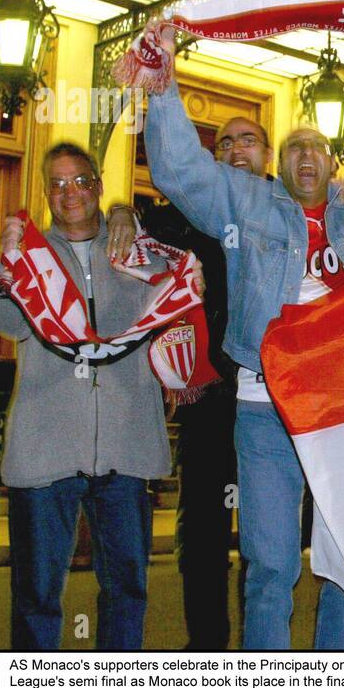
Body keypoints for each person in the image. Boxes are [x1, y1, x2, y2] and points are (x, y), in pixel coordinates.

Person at [141, 28, 344, 650]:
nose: (305, 156)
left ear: (333, 163)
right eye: (294, 147)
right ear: (281, 163)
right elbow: (180, 172)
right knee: (271, 565)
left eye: (317, 147)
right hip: (264, 403)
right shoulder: (247, 202)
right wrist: (163, 87)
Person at [0, 142, 181, 649]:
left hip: (125, 447)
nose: (71, 193)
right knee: (37, 596)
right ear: (47, 194)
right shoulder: (33, 257)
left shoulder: (134, 249)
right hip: (45, 448)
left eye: (81, 181)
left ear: (98, 186)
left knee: (127, 591)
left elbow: (178, 299)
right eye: (58, 184)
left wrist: (130, 216)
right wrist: (6, 264)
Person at [109, 115, 272, 649]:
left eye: (248, 140)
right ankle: (206, 646)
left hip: (272, 397)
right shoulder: (191, 210)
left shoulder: (288, 208)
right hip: (208, 395)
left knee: (266, 536)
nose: (235, 149)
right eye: (224, 142)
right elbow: (140, 228)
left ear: (268, 154)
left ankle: (260, 647)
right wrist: (120, 209)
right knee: (202, 529)